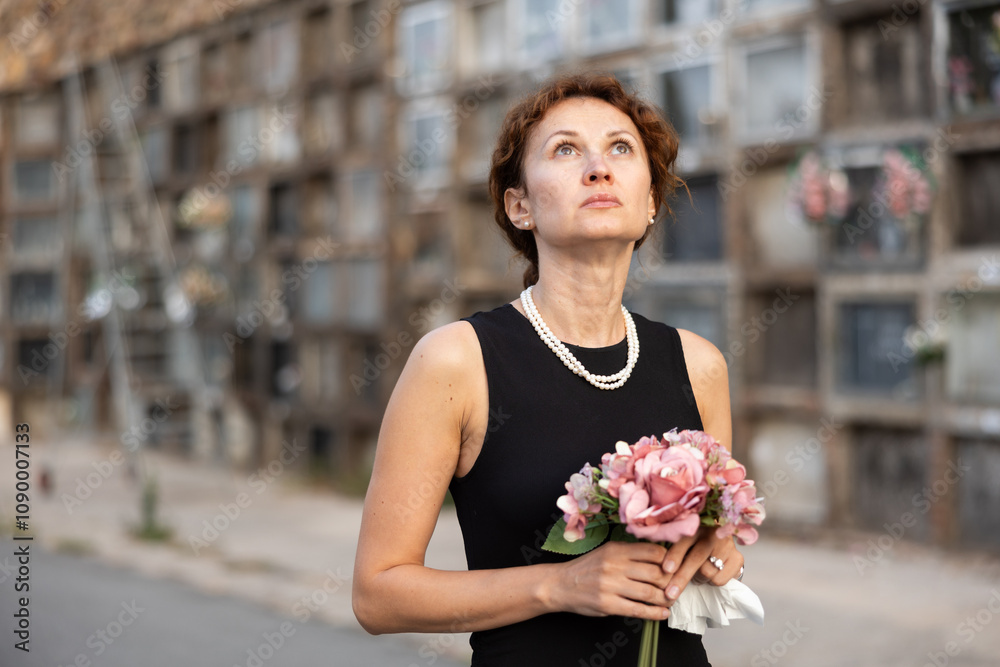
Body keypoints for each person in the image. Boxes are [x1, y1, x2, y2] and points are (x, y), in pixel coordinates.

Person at [353, 73, 744, 666]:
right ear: (521, 206)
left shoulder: (699, 365)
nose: (598, 167)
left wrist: (717, 552)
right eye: (566, 149)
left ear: (650, 203)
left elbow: (714, 551)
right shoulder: (458, 361)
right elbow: (378, 595)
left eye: (621, 148)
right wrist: (557, 585)